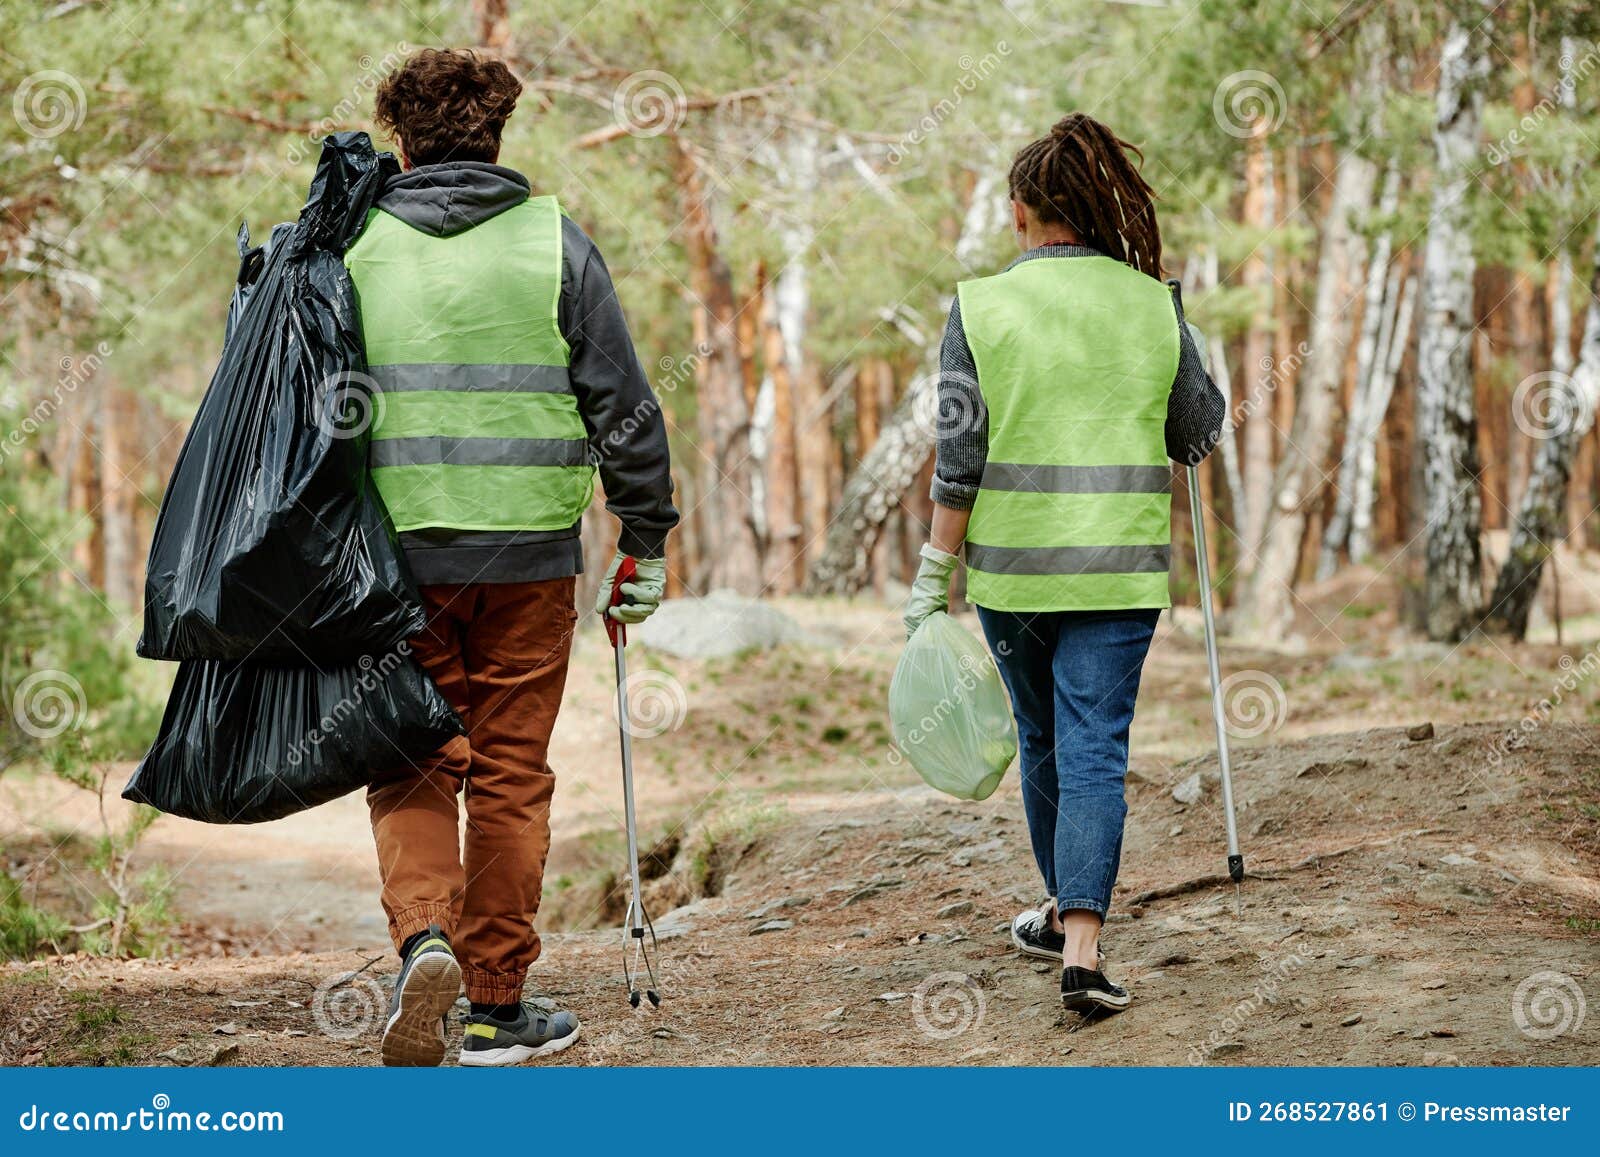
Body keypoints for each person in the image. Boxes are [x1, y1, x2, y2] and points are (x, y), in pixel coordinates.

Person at [343, 48, 678, 1066]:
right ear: (497, 135)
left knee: (408, 761)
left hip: (389, 563)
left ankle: (425, 942)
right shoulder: (554, 244)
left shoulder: (351, 245)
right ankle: (493, 1004)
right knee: (508, 773)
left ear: (401, 141)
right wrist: (646, 536)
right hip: (530, 557)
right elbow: (623, 408)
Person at [902, 113, 1225, 1017]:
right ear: (1097, 207)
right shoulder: (1151, 303)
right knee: (1094, 747)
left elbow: (958, 460)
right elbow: (1197, 431)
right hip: (1119, 573)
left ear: (1019, 212)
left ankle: (1063, 912)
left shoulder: (978, 307)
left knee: (1045, 740)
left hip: (1012, 577)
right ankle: (1078, 941)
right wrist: (1181, 352)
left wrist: (935, 575)